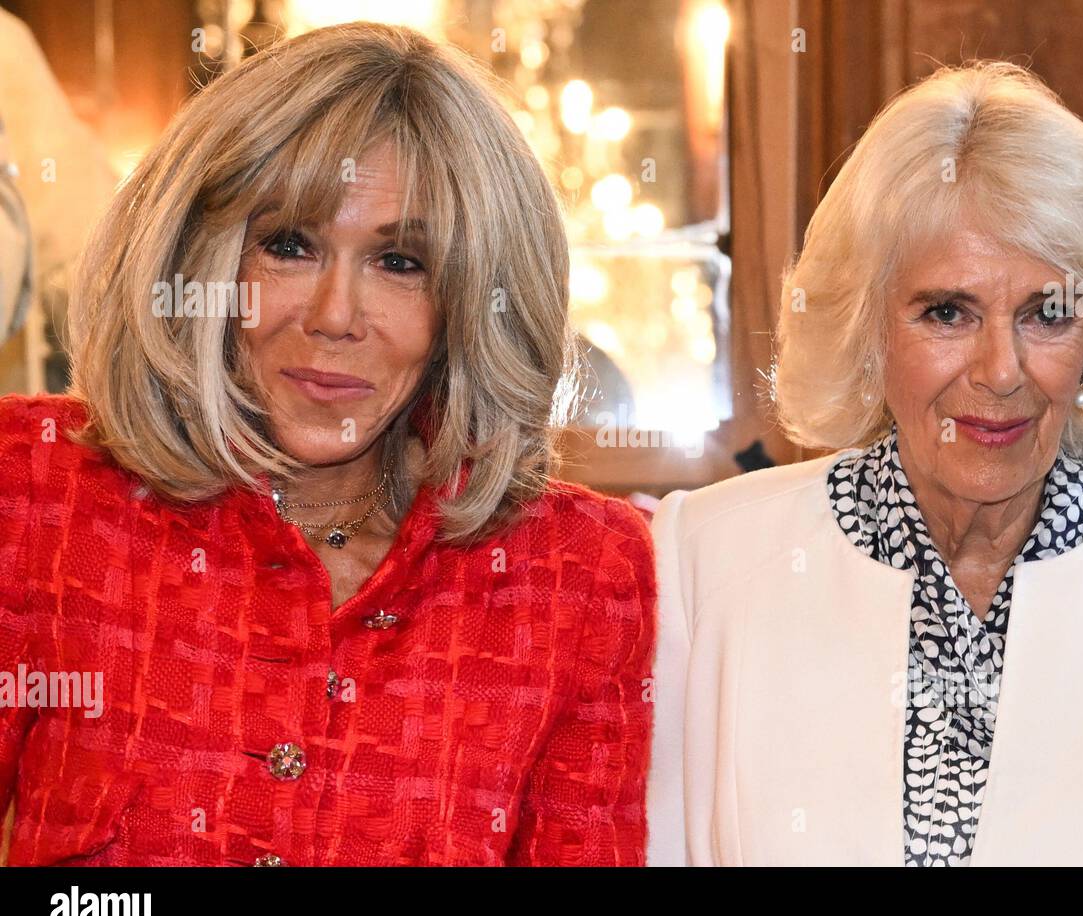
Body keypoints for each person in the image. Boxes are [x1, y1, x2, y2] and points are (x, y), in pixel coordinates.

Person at [0, 22, 655, 867]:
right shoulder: (38, 494)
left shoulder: (577, 573)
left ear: (473, 300)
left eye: (402, 262)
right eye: (289, 245)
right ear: (198, 259)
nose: (335, 316)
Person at [646, 61, 1083, 866]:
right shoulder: (702, 561)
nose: (1000, 370)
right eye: (947, 312)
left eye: (1047, 313)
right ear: (867, 332)